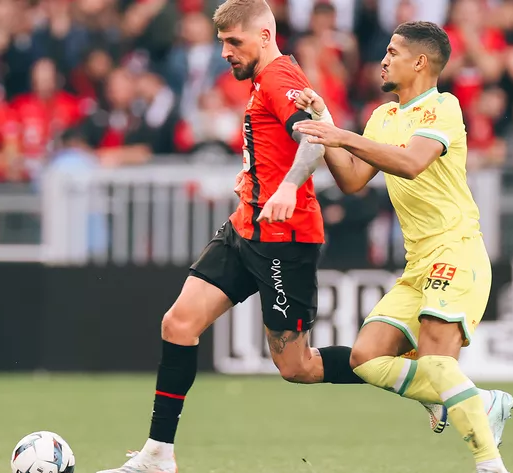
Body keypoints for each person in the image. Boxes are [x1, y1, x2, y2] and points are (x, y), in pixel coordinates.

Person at [96, 2, 445, 472]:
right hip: (246, 226)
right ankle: (158, 454)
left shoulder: (281, 78)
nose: (225, 52)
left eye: (233, 42)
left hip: (285, 236)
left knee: (296, 367)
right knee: (178, 324)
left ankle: (419, 378)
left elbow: (313, 137)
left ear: (263, 36)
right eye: (221, 42)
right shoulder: (263, 79)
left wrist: (284, 187)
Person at [292, 21, 513, 473]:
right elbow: (353, 180)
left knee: (434, 360)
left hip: (456, 249)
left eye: (393, 52)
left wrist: (343, 137)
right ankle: (480, 401)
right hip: (418, 263)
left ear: (420, 61)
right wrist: (325, 125)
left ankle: (490, 463)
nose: (383, 59)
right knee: (366, 358)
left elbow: (412, 163)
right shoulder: (382, 117)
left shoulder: (443, 108)